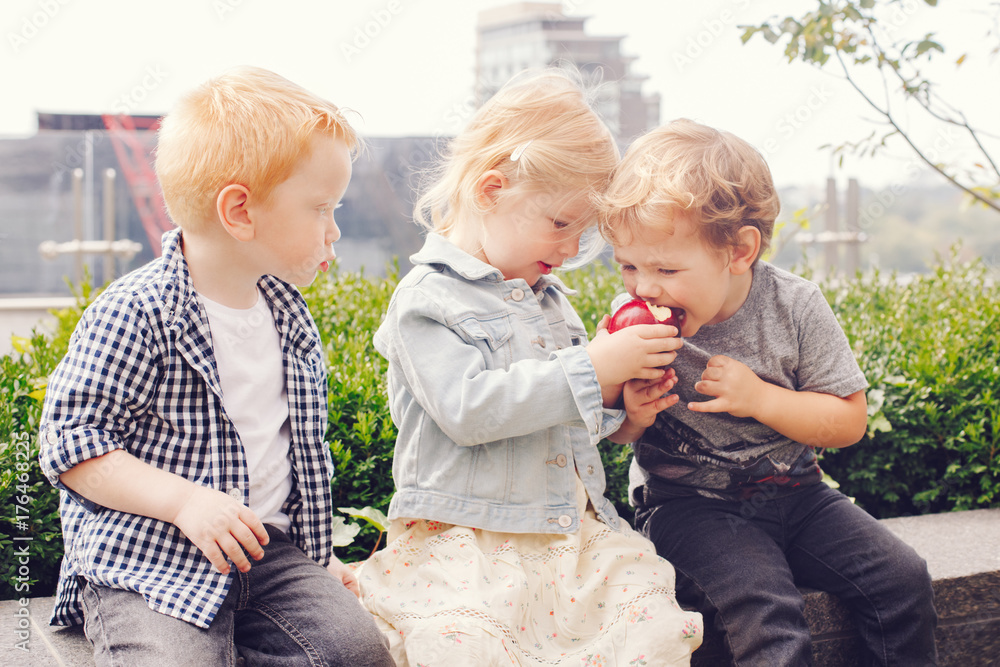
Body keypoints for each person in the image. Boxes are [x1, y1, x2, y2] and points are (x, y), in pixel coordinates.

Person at [38, 66, 393, 667]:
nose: (334, 231)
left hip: (267, 553)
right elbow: (69, 443)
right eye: (321, 208)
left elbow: (295, 451)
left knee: (355, 652)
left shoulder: (288, 316)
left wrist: (318, 553)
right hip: (149, 558)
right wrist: (185, 503)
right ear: (240, 212)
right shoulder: (137, 312)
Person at [353, 69, 703, 667]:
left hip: (571, 537)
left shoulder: (549, 301)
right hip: (467, 541)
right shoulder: (426, 300)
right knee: (468, 643)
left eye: (583, 231)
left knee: (649, 619)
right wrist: (592, 367)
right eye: (561, 223)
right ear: (491, 191)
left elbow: (563, 431)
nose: (571, 248)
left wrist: (624, 410)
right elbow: (469, 411)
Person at [599, 118, 939, 665]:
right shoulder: (627, 326)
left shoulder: (796, 307)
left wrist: (760, 398)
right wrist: (631, 411)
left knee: (901, 579)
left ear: (739, 251)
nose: (643, 288)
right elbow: (613, 432)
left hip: (799, 494)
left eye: (665, 267)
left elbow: (848, 421)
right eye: (628, 266)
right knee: (769, 615)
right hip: (690, 508)